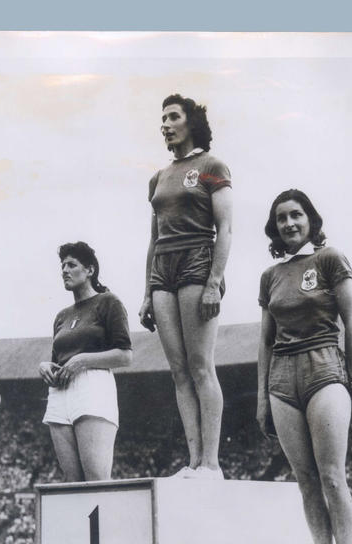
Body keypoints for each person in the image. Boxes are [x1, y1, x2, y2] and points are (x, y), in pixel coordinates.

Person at [256, 189, 352, 544]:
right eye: (281, 218)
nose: (289, 223)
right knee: (305, 479)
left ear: (310, 219)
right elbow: (265, 341)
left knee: (331, 476)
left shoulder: (330, 259)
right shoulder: (271, 276)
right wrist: (261, 398)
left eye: (296, 215)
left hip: (324, 368)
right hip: (282, 380)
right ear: (275, 227)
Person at [138, 94, 233, 479]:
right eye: (161, 117)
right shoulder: (158, 178)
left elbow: (225, 228)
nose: (165, 123)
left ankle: (212, 462)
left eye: (172, 116)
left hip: (197, 259)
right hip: (163, 267)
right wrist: (146, 291)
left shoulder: (212, 166)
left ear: (190, 122)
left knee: (200, 365)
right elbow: (153, 237)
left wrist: (214, 282)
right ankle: (193, 461)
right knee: (178, 370)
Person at [39, 241, 132, 481]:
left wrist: (82, 360)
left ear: (90, 270)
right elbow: (56, 359)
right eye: (62, 266)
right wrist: (45, 366)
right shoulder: (61, 315)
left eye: (72, 265)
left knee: (96, 480)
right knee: (72, 485)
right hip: (60, 392)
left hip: (93, 386)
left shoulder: (108, 302)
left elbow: (125, 356)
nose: (65, 271)